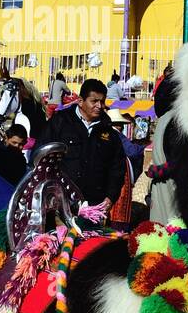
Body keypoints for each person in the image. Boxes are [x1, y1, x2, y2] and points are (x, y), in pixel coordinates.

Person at [39, 77, 126, 222]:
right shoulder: (60, 122)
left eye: (102, 101)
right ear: (80, 101)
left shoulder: (109, 132)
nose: (99, 106)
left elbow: (117, 168)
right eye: (94, 101)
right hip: (61, 205)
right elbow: (42, 155)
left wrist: (110, 197)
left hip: (95, 207)